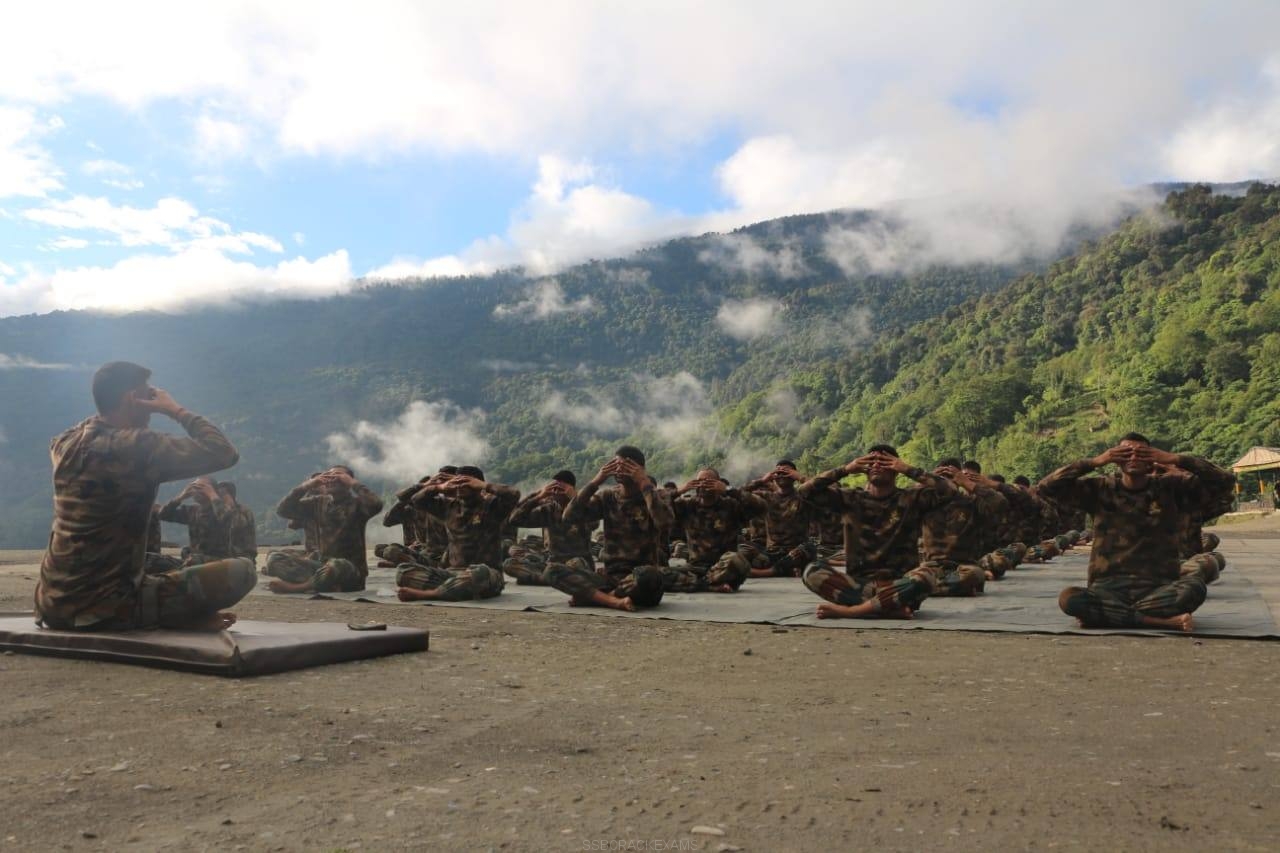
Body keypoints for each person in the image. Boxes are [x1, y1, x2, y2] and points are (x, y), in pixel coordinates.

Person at [35, 361, 253, 631]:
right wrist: (174, 409)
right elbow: (223, 452)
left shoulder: (64, 443)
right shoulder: (138, 447)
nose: (154, 401)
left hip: (51, 603)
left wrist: (126, 401)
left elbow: (95, 425)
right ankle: (166, 617)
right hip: (105, 608)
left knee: (153, 561)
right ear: (132, 398)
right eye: (148, 395)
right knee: (243, 571)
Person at [1039, 433, 1235, 632]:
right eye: (1125, 453)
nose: (1133, 458)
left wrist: (1174, 458)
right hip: (1107, 588)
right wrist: (1097, 461)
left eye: (1141, 453)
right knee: (1068, 598)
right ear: (1116, 459)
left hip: (1157, 588)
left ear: (1151, 459)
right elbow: (1047, 487)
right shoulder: (1101, 489)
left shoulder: (1170, 489)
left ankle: (1109, 616)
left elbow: (1225, 481)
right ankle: (1156, 621)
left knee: (1195, 588)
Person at [797, 445, 957, 619]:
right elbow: (804, 491)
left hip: (900, 584)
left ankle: (854, 611)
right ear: (864, 469)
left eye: (884, 461)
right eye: (871, 462)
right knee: (811, 571)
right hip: (860, 585)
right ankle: (886, 608)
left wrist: (907, 469)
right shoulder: (849, 498)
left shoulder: (911, 498)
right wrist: (846, 469)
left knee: (927, 575)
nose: (877, 466)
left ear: (895, 468)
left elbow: (950, 491)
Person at [544, 447, 671, 611]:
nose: (619, 470)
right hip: (609, 578)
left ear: (640, 469)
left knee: (650, 575)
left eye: (626, 465)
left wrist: (644, 482)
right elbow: (569, 517)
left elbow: (665, 523)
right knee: (551, 570)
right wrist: (596, 481)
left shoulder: (658, 495)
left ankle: (595, 598)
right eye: (615, 465)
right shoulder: (608, 496)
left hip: (639, 579)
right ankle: (613, 600)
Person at [394, 466, 515, 601]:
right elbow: (416, 500)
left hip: (487, 575)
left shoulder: (492, 506)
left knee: (479, 574)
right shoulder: (448, 507)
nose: (459, 486)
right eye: (456, 482)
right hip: (453, 573)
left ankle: (432, 594)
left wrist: (484, 485)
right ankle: (454, 589)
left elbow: (513, 494)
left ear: (476, 484)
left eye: (465, 482)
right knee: (403, 572)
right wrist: (438, 487)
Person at [264, 466, 384, 593]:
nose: (332, 479)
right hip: (320, 566)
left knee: (337, 565)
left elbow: (376, 504)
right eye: (329, 477)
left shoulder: (358, 505)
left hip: (349, 571)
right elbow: (283, 510)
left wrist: (353, 483)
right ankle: (324, 584)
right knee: (274, 559)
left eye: (338, 477)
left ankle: (299, 587)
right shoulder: (318, 503)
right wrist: (307, 486)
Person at [666, 468, 767, 592]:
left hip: (724, 567)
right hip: (695, 568)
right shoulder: (687, 505)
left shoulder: (731, 505)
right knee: (656, 574)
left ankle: (697, 584)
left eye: (708, 481)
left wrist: (729, 490)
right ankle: (707, 584)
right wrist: (679, 491)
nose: (703, 485)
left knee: (737, 560)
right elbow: (658, 503)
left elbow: (761, 506)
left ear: (718, 484)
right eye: (699, 481)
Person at [916, 459, 1005, 595]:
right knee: (913, 577)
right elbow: (903, 497)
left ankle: (928, 588)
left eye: (950, 478)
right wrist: (925, 481)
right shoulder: (925, 502)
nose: (945, 483)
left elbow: (1000, 503)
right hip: (930, 567)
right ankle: (944, 587)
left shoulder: (970, 502)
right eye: (941, 479)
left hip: (961, 567)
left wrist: (968, 483)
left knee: (975, 574)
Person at [502, 470, 593, 585]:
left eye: (561, 489)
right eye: (554, 488)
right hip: (552, 564)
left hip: (578, 563)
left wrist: (575, 499)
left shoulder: (584, 506)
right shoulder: (549, 510)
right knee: (510, 564)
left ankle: (545, 579)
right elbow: (515, 519)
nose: (556, 492)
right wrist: (538, 496)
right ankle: (551, 579)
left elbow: (594, 524)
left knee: (576, 564)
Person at [743, 461, 817, 578]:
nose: (782, 474)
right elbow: (737, 494)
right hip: (771, 553)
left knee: (809, 548)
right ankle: (785, 569)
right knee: (742, 551)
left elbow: (823, 488)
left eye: (786, 472)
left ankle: (771, 571)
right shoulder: (766, 497)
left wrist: (800, 477)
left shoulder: (803, 497)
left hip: (796, 552)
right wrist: (762, 481)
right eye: (778, 472)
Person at [157, 476, 231, 563]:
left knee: (193, 560)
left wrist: (212, 494)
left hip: (217, 562)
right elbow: (163, 515)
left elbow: (226, 518)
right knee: (154, 560)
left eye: (201, 488)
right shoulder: (192, 511)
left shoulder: (221, 510)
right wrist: (181, 497)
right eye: (194, 488)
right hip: (195, 560)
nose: (196, 491)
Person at [218, 481, 257, 565]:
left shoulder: (243, 511)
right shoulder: (216, 512)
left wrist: (230, 507)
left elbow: (236, 526)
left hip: (242, 559)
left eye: (222, 494)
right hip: (221, 560)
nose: (219, 497)